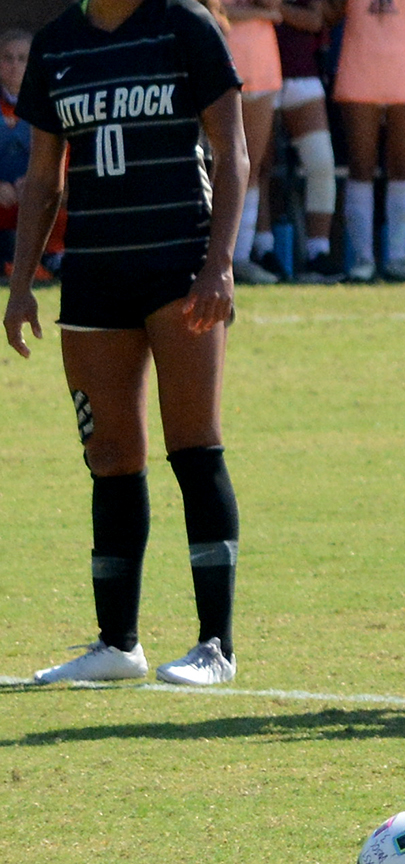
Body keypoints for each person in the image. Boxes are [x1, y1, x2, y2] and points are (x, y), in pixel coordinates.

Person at [6, 0, 248, 687]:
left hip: (180, 266)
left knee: (193, 446)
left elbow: (233, 151)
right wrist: (21, 283)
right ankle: (117, 644)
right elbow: (43, 179)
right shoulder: (56, 44)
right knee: (109, 455)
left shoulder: (186, 26)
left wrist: (220, 261)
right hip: (92, 274)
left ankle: (215, 647)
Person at [334, 0, 405, 281]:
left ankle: (397, 257)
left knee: (402, 166)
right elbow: (329, 14)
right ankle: (362, 259)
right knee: (360, 166)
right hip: (359, 68)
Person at [274, 0, 345, 280]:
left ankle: (318, 250)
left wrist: (274, 9)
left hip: (301, 70)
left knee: (321, 162)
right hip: (252, 69)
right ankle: (259, 250)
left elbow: (316, 19)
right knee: (257, 166)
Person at [222, 0, 285, 283]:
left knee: (252, 165)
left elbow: (275, 5)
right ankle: (215, 255)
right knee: (216, 163)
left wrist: (258, 11)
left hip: (262, 66)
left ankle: (241, 257)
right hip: (220, 66)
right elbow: (216, 12)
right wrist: (259, 13)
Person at [1, 28, 32, 269]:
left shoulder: (50, 107)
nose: (14, 65)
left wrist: (41, 183)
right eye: (7, 58)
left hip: (39, 226)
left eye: (23, 59)